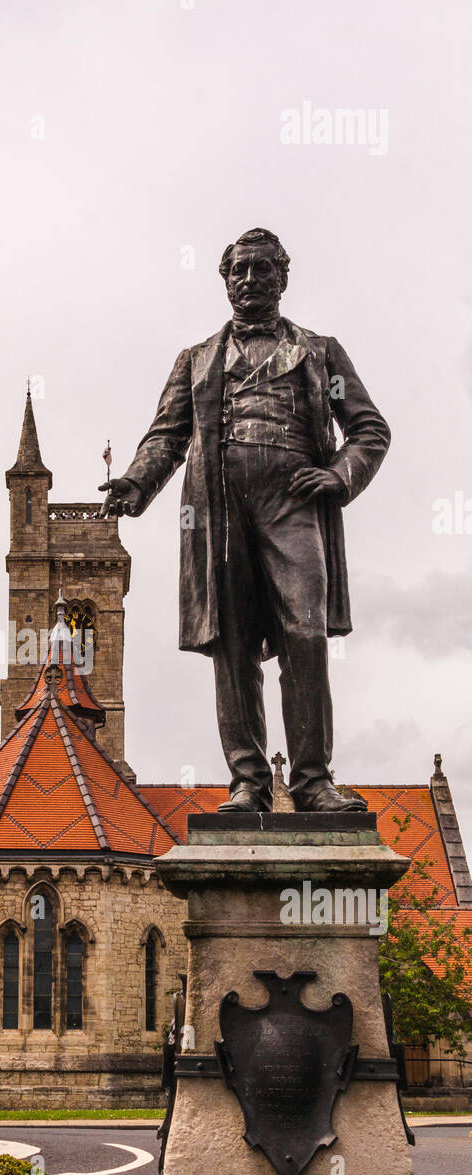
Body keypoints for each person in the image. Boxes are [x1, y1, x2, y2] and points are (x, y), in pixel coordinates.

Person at [100, 228, 390, 813]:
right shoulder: (197, 361)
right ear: (226, 280)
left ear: (282, 278)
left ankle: (311, 781)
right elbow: (168, 434)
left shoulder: (321, 351)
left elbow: (369, 430)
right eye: (240, 271)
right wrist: (136, 481)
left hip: (294, 506)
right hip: (220, 512)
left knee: (304, 636)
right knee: (231, 647)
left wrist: (338, 475)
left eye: (262, 270)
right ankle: (248, 783)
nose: (250, 280)